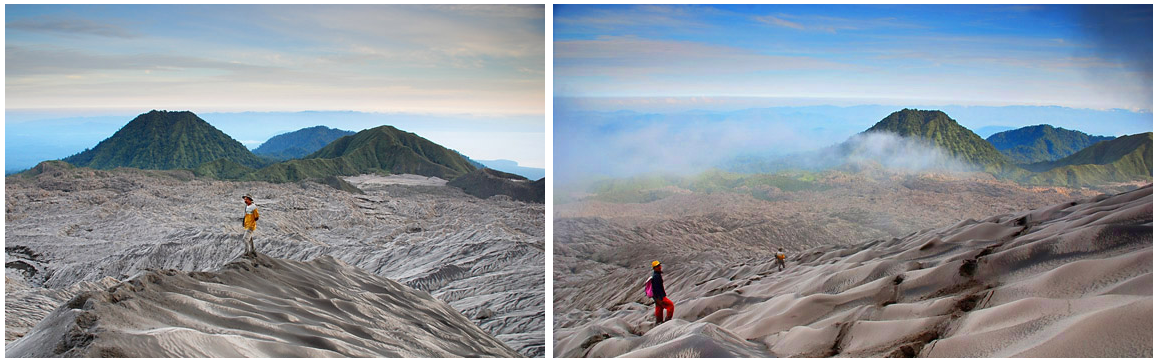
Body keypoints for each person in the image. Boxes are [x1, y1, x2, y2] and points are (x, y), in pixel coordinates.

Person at [651, 260, 674, 325]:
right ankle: (667, 321)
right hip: (659, 296)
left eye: (659, 265)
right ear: (654, 268)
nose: (659, 267)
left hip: (656, 296)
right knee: (670, 305)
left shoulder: (656, 275)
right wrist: (659, 298)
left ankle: (658, 322)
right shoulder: (656, 276)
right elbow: (656, 288)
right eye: (657, 266)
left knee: (659, 308)